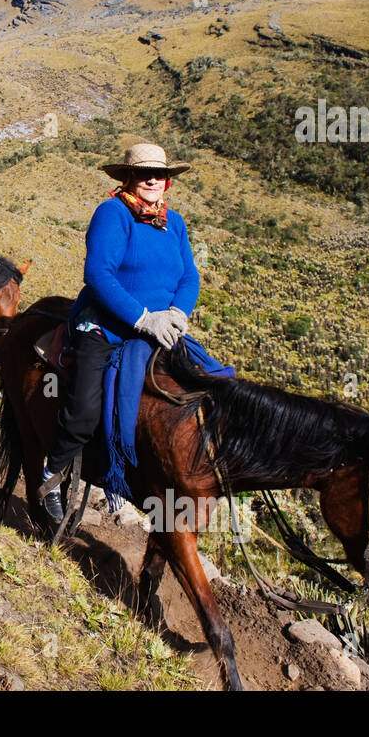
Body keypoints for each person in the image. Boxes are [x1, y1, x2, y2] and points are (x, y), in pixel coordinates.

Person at [40, 140, 229, 527]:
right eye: (145, 174)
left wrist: (177, 312)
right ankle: (51, 474)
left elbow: (189, 275)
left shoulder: (173, 222)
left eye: (159, 174)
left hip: (161, 328)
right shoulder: (113, 213)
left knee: (205, 387)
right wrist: (144, 319)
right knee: (85, 408)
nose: (153, 181)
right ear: (129, 177)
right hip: (105, 325)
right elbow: (98, 275)